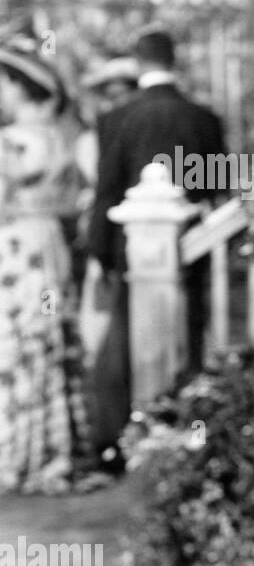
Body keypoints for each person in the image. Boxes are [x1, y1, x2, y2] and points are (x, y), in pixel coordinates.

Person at [87, 26, 225, 394]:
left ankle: (136, 423)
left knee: (131, 335)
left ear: (138, 62)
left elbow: (107, 189)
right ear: (173, 60)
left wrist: (99, 252)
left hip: (130, 248)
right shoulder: (204, 118)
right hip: (194, 241)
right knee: (191, 326)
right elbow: (220, 184)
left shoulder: (116, 118)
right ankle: (188, 406)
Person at [0, 41, 100, 494]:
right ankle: (54, 447)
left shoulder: (12, 141)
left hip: (20, 244)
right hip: (51, 243)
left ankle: (23, 449)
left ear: (21, 88)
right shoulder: (66, 138)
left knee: (19, 339)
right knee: (48, 336)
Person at [74, 55, 138, 465]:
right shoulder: (92, 136)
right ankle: (107, 434)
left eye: (120, 92)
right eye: (107, 94)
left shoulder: (122, 126)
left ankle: (120, 435)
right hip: (104, 248)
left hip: (123, 245)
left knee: (118, 343)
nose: (113, 102)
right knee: (100, 340)